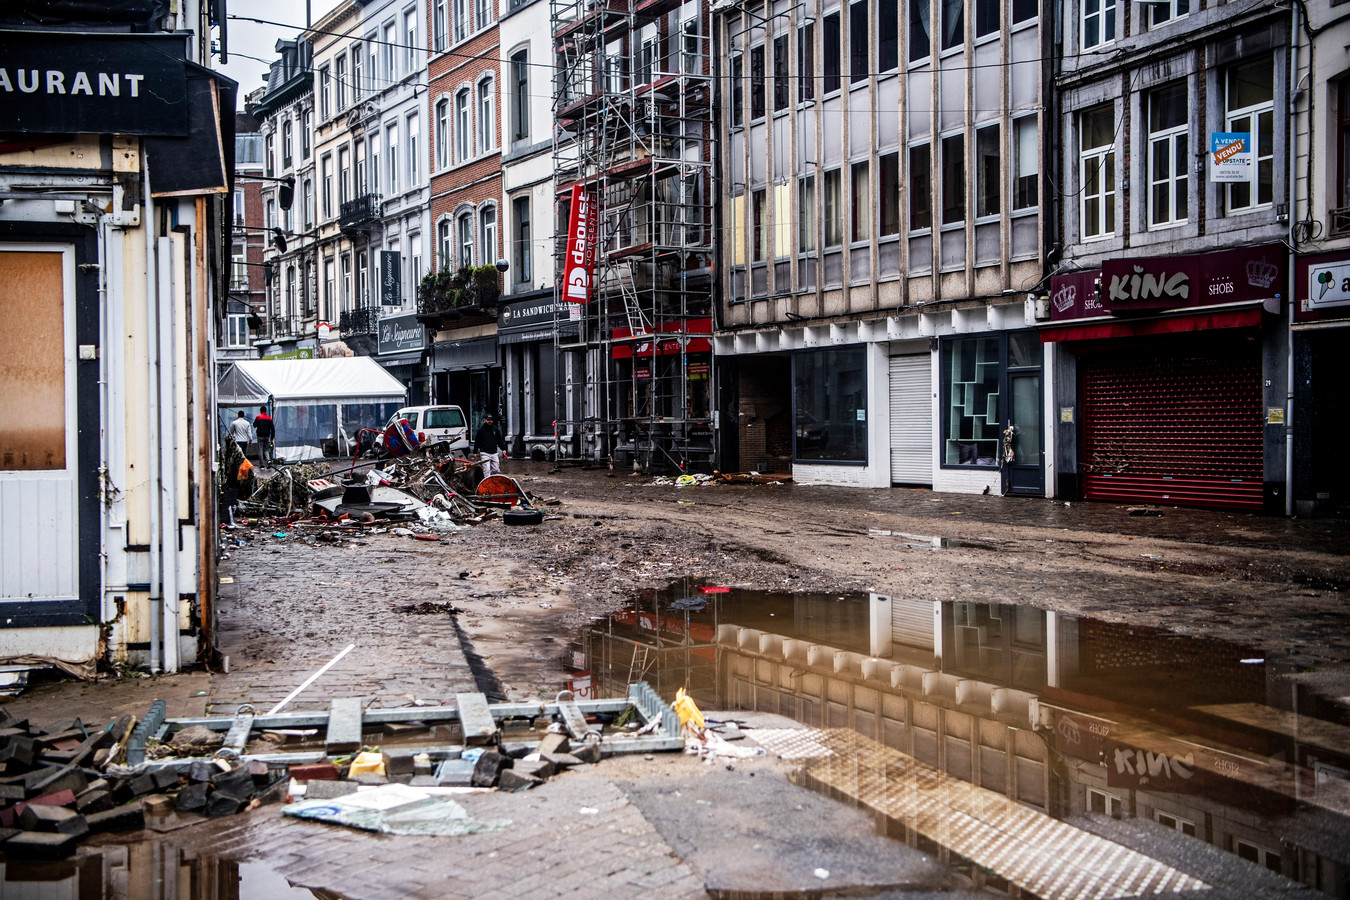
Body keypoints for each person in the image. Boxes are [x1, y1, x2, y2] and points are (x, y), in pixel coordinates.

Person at [473, 413, 504, 478]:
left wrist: (503, 449)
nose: (490, 421)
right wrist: (475, 452)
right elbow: (477, 441)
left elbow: (499, 440)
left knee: (496, 469)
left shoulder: (495, 429)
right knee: (486, 469)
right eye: (488, 420)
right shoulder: (481, 430)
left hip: (494, 452)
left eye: (491, 420)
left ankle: (491, 479)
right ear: (484, 420)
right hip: (484, 452)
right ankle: (486, 481)